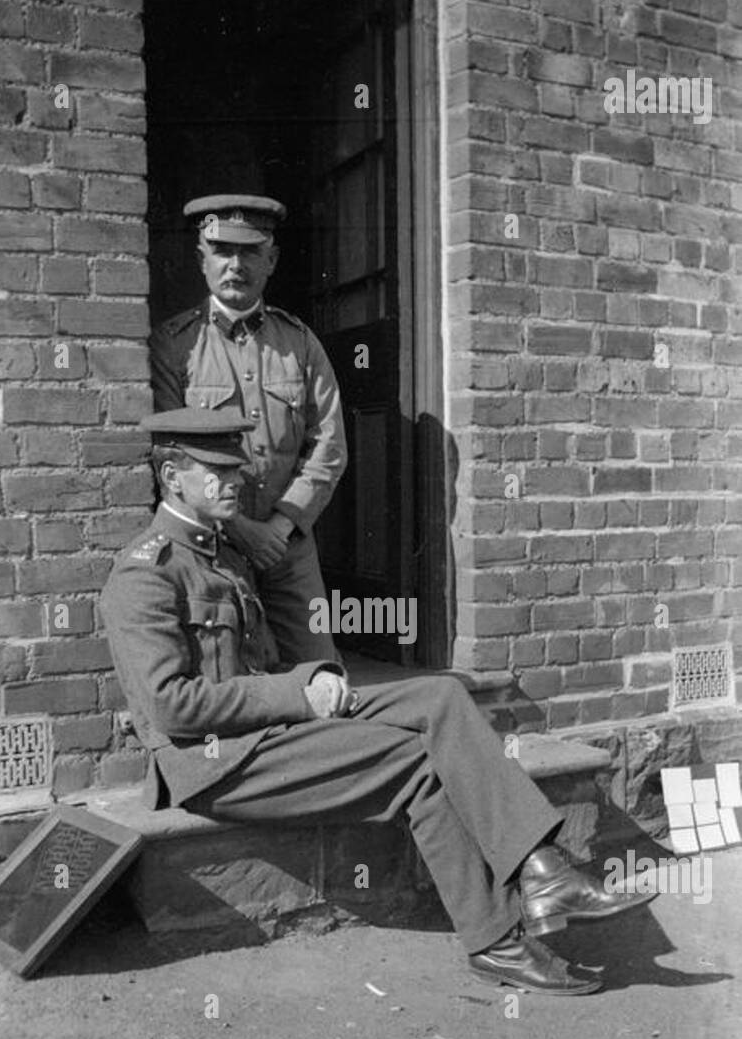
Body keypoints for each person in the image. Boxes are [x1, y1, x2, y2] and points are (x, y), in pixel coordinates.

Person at [100, 410, 659, 998]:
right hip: (216, 763)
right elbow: (170, 706)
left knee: (443, 695)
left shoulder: (224, 555)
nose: (234, 480)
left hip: (267, 734)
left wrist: (310, 677)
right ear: (170, 475)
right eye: (215, 470)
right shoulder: (147, 574)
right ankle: (503, 935)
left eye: (235, 467)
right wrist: (299, 692)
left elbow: (255, 666)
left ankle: (542, 874)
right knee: (420, 761)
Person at [149, 193, 346, 665]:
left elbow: (330, 444)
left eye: (250, 251)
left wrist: (279, 525)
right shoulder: (173, 346)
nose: (236, 264)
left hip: (288, 546)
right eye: (222, 251)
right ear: (202, 259)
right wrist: (241, 529)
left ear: (271, 259)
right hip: (209, 546)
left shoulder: (299, 342)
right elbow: (170, 453)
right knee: (227, 678)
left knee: (322, 670)